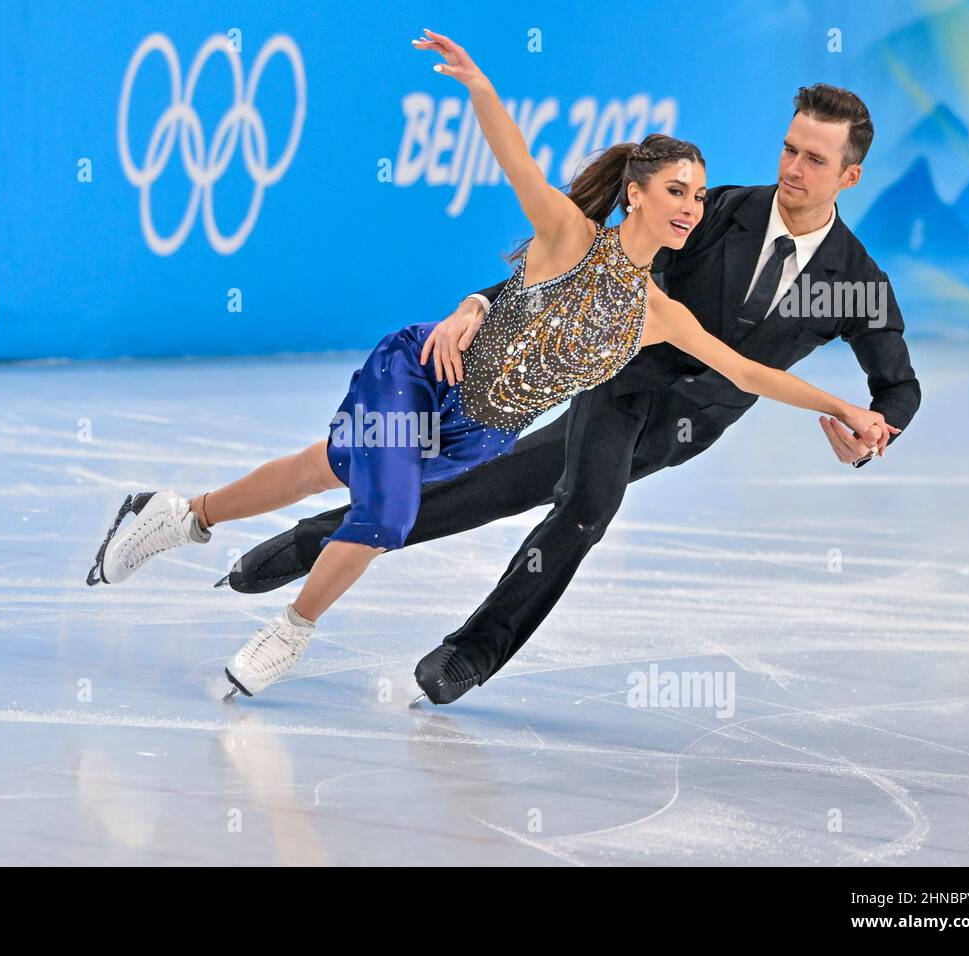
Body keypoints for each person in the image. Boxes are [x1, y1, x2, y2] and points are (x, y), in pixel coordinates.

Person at [85, 31, 894, 702]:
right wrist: (477, 87)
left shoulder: (658, 313)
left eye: (699, 193)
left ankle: (180, 515)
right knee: (391, 514)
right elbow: (514, 160)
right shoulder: (570, 235)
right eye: (678, 191)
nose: (693, 206)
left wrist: (847, 407)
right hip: (423, 373)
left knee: (322, 468)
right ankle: (290, 633)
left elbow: (751, 374)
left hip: (485, 431)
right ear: (638, 194)